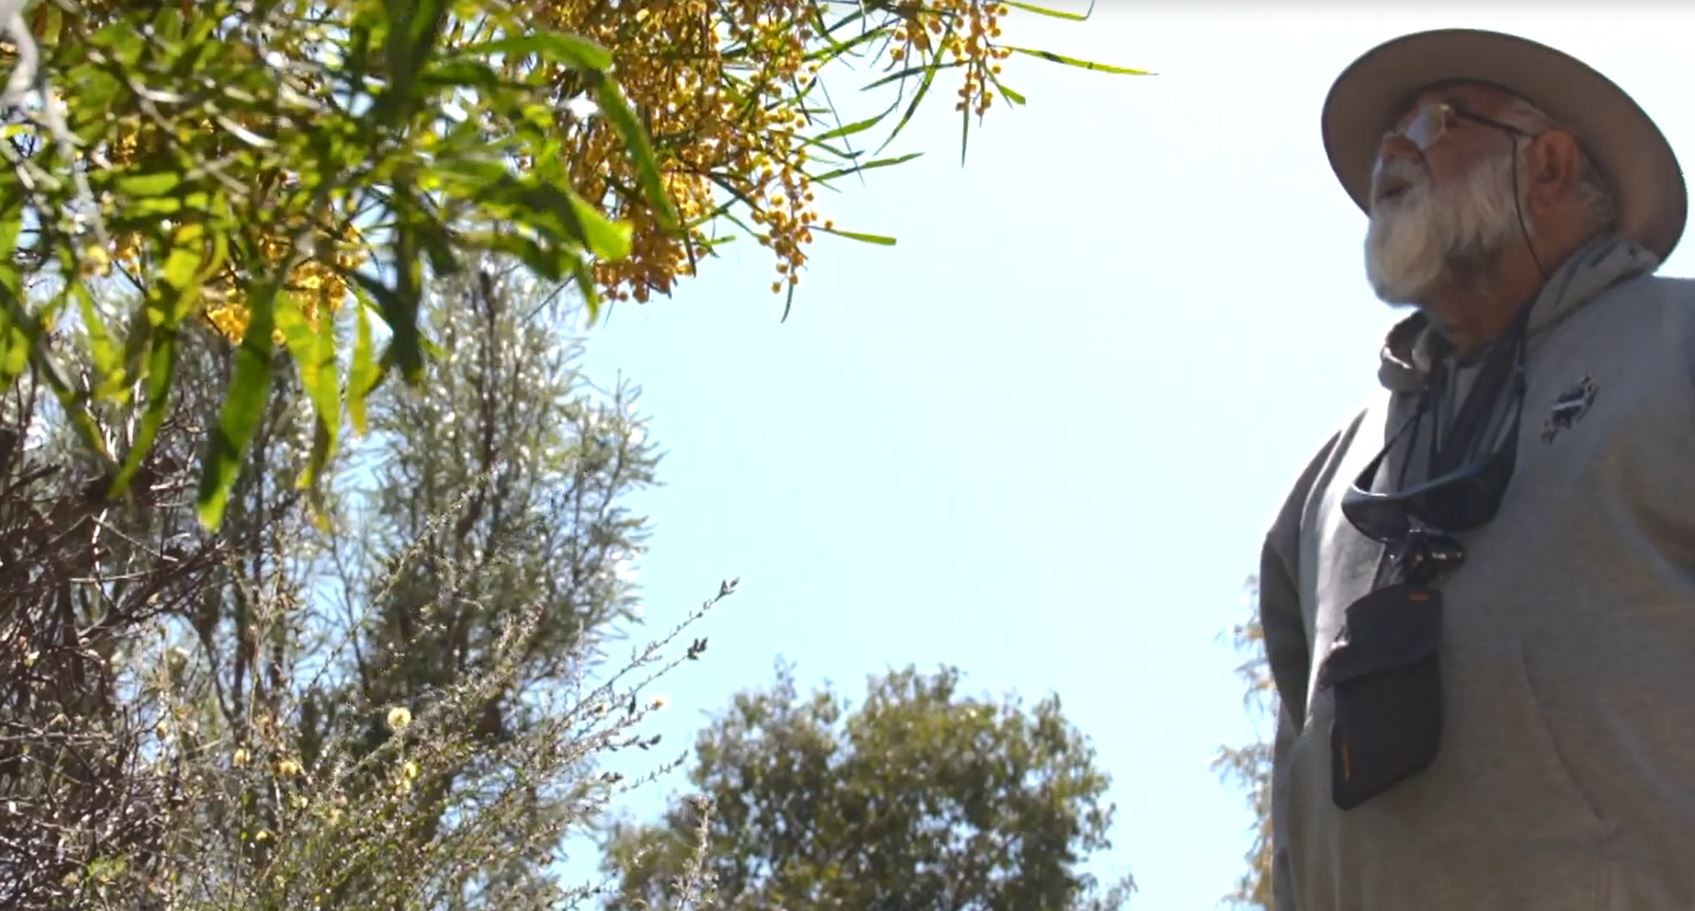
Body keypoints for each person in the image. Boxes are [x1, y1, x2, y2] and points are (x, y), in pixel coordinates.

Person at [1259, 28, 1695, 910]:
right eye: (1386, 136)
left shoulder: (1676, 345)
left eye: (1431, 120)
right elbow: (1297, 803)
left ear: (1548, 165)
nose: (1390, 149)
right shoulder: (1324, 483)